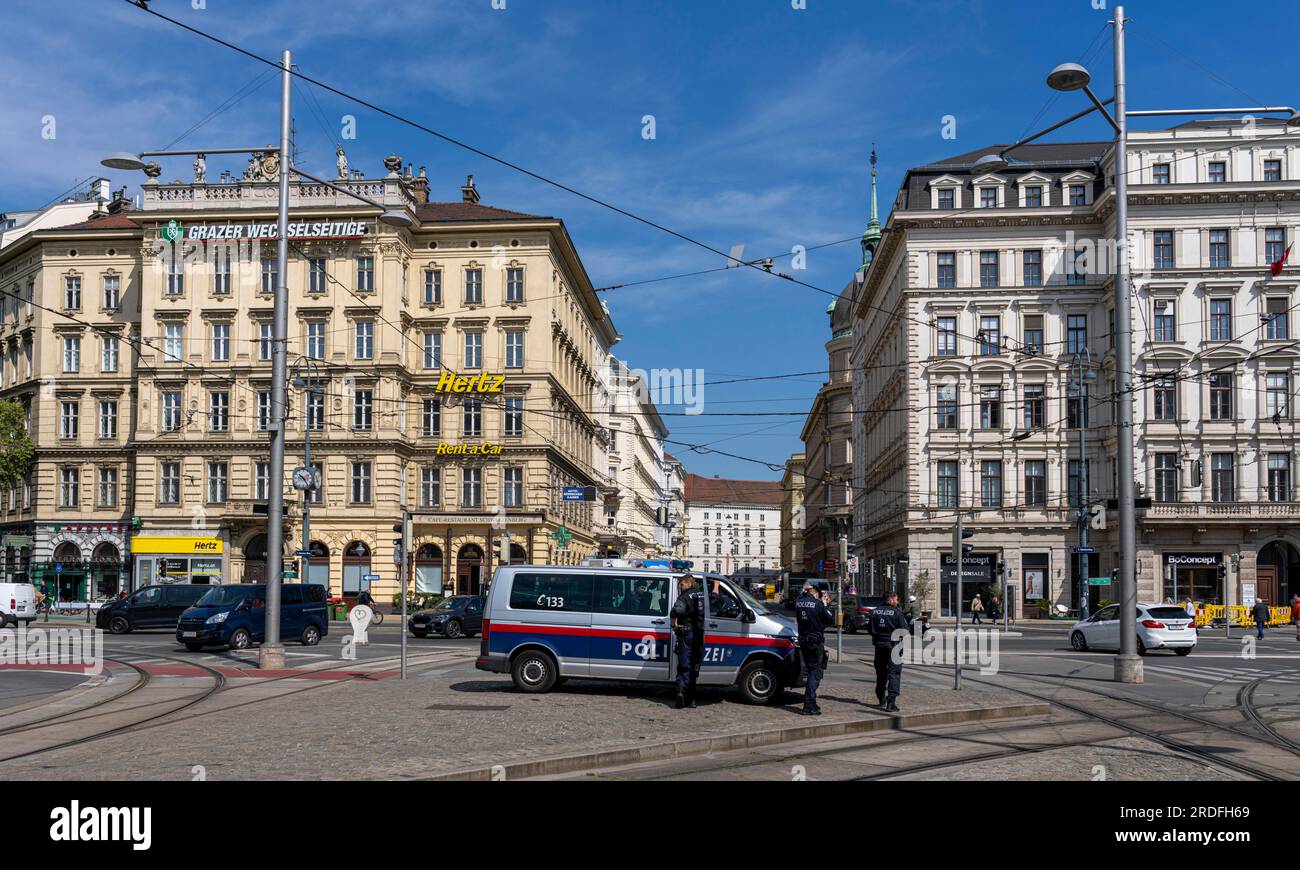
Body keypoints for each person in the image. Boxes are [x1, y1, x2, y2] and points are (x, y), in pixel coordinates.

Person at [794, 582, 834, 715]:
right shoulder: (817, 604)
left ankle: (812, 702)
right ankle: (808, 704)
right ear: (815, 593)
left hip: (803, 640)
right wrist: (825, 605)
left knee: (811, 669)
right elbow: (830, 619)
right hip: (815, 641)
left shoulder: (799, 603)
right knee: (814, 672)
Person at [868, 590, 909, 712]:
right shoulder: (897, 612)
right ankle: (891, 703)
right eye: (896, 599)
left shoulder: (874, 611)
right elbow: (904, 630)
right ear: (890, 599)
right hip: (894, 646)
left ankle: (881, 699)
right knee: (894, 674)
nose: (897, 601)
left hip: (879, 645)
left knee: (881, 673)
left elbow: (870, 629)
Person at [670, 574, 705, 709]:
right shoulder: (702, 595)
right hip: (700, 634)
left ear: (689, 583)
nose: (680, 586)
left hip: (687, 633)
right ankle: (692, 700)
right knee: (694, 667)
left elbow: (675, 612)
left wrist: (673, 625)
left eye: (682, 584)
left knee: (684, 665)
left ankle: (680, 694)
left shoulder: (684, 597)